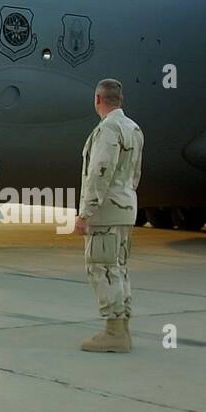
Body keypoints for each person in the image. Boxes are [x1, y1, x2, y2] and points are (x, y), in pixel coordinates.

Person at [74, 79, 143, 352]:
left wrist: (86, 211)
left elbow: (100, 170)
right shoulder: (133, 128)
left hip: (106, 211)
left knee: (101, 268)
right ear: (120, 100)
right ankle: (122, 329)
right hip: (126, 207)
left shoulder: (108, 129)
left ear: (98, 100)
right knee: (118, 269)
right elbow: (135, 173)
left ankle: (114, 332)